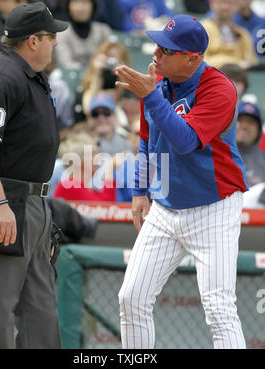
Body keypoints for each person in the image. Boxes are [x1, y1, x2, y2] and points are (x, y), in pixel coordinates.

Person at [116, 14, 248, 349]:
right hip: (165, 206)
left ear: (193, 58)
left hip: (213, 208)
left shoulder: (219, 89)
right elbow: (147, 141)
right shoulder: (158, 85)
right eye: (158, 45)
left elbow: (185, 140)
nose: (156, 53)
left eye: (166, 49)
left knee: (219, 310)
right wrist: (140, 192)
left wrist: (151, 96)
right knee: (131, 297)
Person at [0, 2, 68, 349]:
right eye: (52, 36)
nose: (56, 43)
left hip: (34, 203)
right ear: (34, 41)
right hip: (5, 201)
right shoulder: (1, 76)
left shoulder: (31, 77)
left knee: (40, 312)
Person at [53, 130, 117, 201]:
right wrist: (109, 170)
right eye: (94, 154)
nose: (99, 158)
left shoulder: (88, 189)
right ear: (82, 160)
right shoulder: (68, 186)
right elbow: (104, 207)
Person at [55, 0, 112, 70]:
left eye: (85, 2)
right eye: (76, 2)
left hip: (99, 78)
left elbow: (111, 61)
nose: (80, 8)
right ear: (68, 6)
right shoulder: (61, 33)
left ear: (93, 6)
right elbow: (66, 64)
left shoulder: (103, 31)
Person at [201, 0, 258, 69]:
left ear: (237, 6)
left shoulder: (243, 34)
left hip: (237, 77)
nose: (225, 7)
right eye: (220, 2)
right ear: (212, 4)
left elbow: (251, 62)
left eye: (230, 3)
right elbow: (200, 61)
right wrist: (235, 63)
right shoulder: (203, 28)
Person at [236, 102, 265, 187]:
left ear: (259, 130)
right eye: (240, 120)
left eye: (251, 122)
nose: (245, 125)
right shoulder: (213, 155)